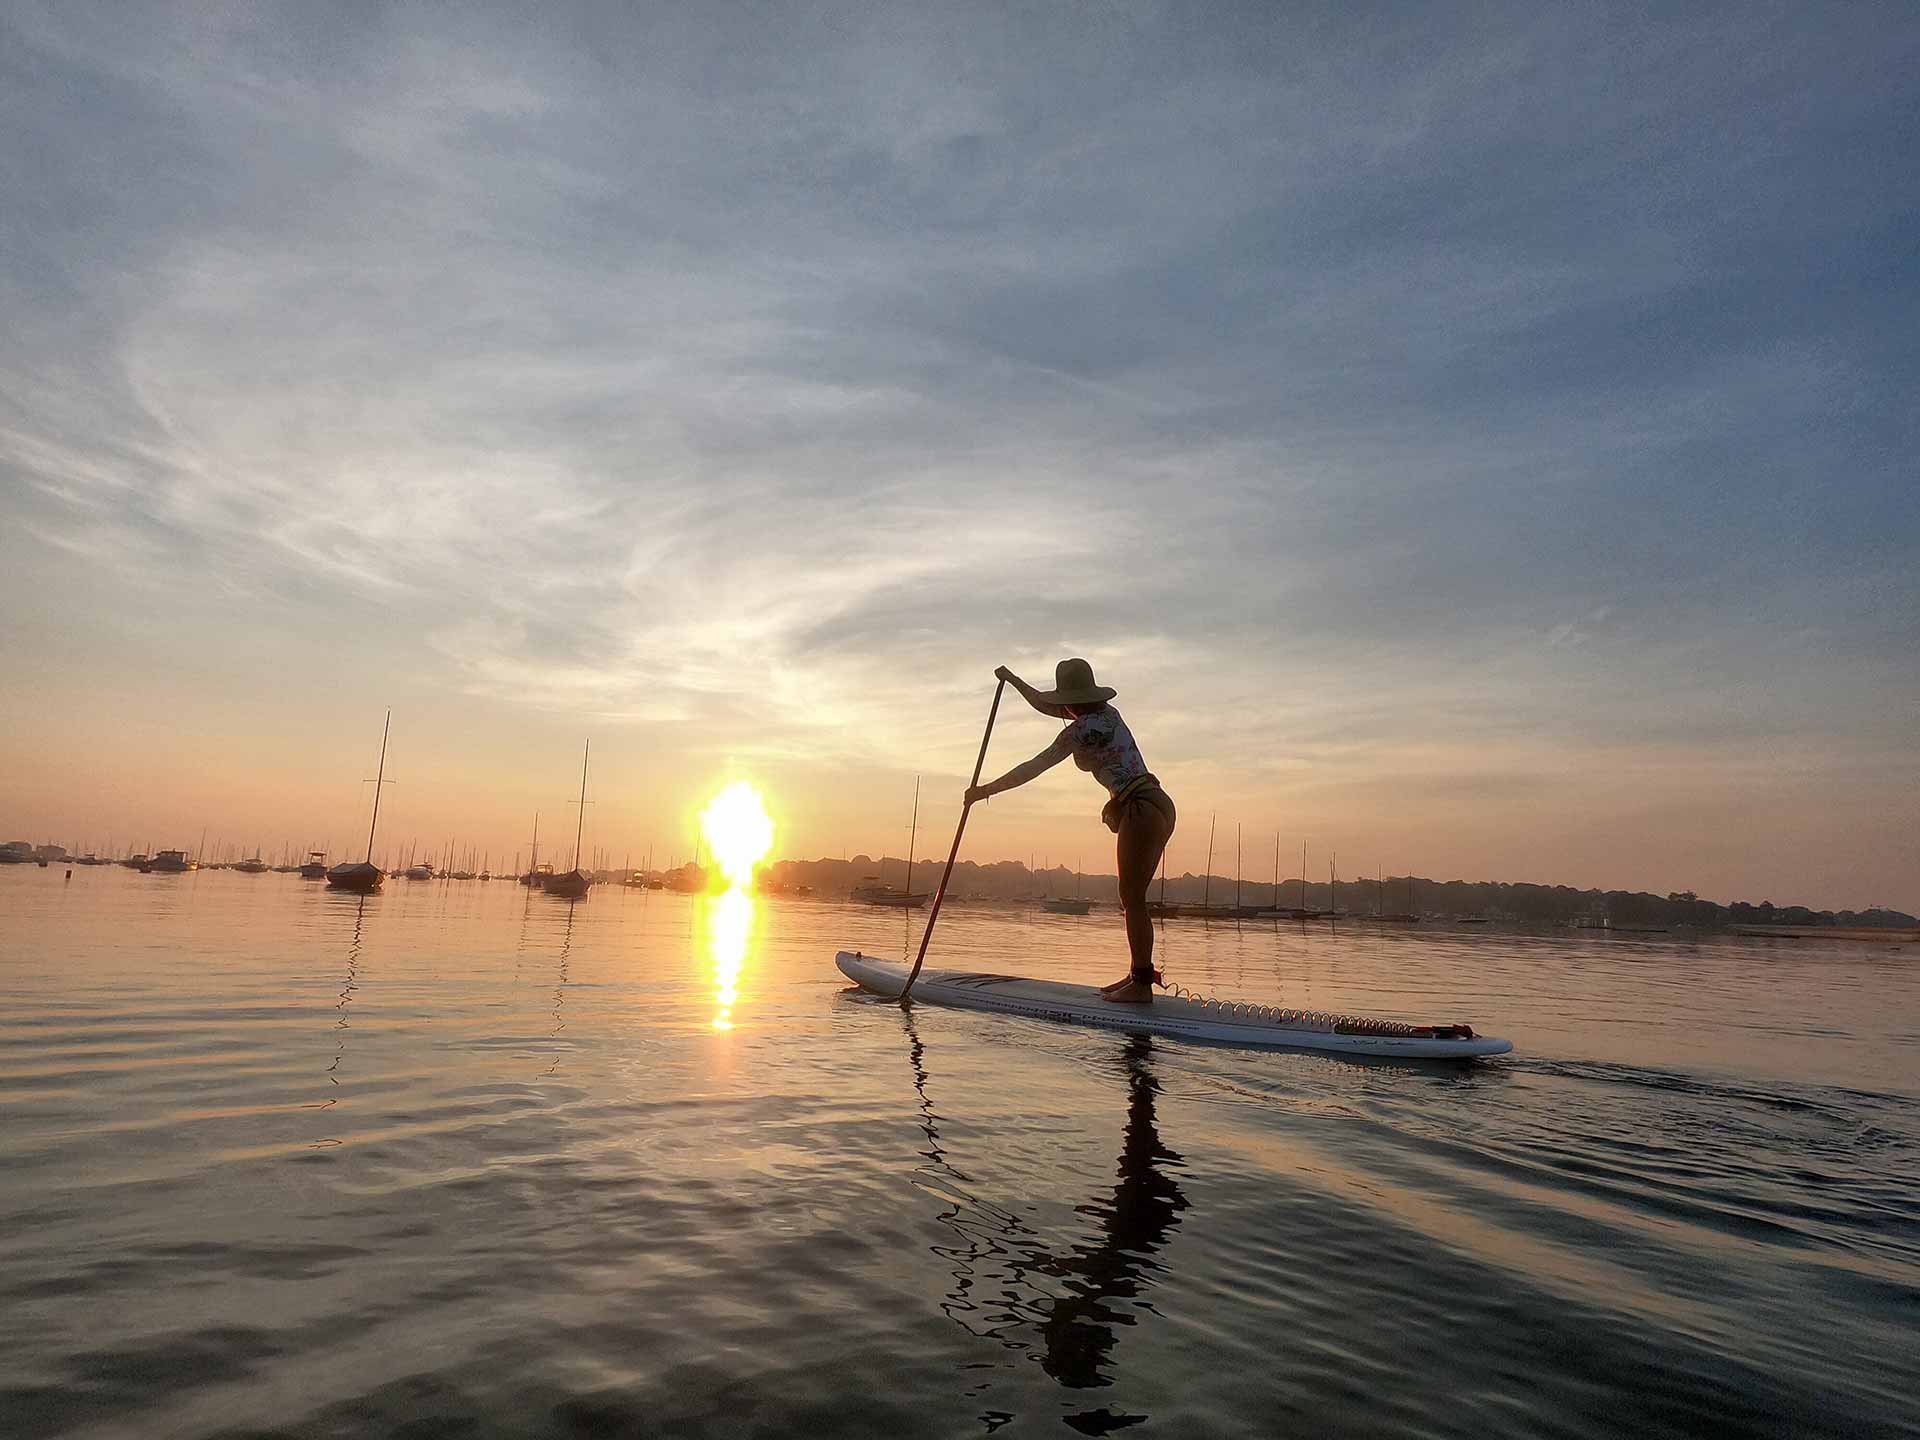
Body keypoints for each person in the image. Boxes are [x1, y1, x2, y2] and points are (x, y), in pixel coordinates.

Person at [965, 659, 1176, 1003]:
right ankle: (1137, 974)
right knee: (1134, 898)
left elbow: (1034, 767)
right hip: (1159, 803)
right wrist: (1014, 681)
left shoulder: (1078, 731)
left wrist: (984, 791)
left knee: (1132, 898)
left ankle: (1140, 986)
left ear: (1069, 700)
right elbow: (1048, 707)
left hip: (1140, 807)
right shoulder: (1109, 715)